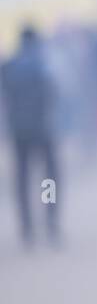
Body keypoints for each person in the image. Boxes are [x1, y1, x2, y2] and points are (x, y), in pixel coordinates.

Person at [1, 26, 60, 247]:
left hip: (18, 131)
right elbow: (53, 93)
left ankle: (27, 227)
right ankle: (50, 221)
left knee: (22, 179)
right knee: (48, 178)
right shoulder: (42, 63)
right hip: (42, 130)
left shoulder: (8, 66)